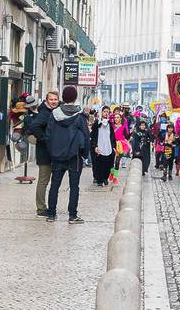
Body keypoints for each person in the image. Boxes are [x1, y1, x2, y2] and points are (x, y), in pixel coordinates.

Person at [45, 86, 90, 224]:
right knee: (74, 186)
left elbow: (48, 135)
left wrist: (52, 152)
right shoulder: (79, 116)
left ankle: (51, 214)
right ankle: (72, 215)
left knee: (54, 185)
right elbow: (86, 136)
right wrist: (84, 155)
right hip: (74, 156)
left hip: (57, 155)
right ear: (75, 98)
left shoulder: (54, 114)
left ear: (63, 98)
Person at [27, 91, 60, 216]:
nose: (53, 101)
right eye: (51, 99)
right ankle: (41, 208)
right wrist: (44, 138)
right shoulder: (44, 113)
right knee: (43, 181)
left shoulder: (55, 111)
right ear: (46, 100)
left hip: (54, 152)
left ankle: (48, 206)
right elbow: (34, 126)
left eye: (55, 99)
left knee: (50, 181)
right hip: (45, 152)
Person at [90, 106, 116, 186]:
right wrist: (95, 146)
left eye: (108, 112)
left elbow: (112, 136)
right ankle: (99, 180)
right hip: (99, 146)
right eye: (104, 111)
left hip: (108, 146)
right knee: (99, 164)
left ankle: (105, 178)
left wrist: (113, 146)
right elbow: (93, 136)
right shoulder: (97, 123)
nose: (106, 113)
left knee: (108, 164)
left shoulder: (110, 123)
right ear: (101, 112)